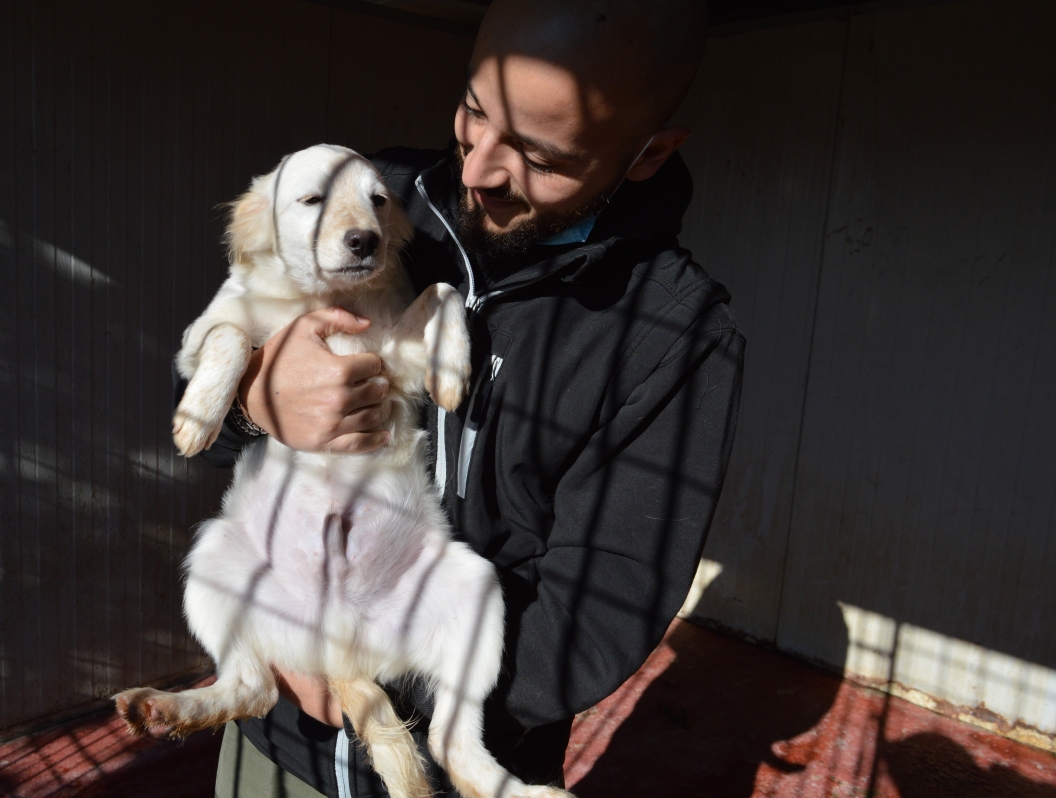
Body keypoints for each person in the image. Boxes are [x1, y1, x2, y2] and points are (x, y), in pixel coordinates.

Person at [197, 1, 744, 795]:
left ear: (649, 156)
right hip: (280, 744)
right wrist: (257, 395)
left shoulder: (673, 334)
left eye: (539, 155)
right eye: (474, 113)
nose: (480, 169)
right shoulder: (376, 197)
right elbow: (198, 386)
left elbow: (596, 619)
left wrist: (362, 668)